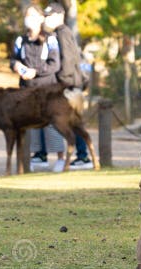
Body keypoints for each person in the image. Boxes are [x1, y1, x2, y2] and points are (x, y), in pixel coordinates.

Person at [11, 5, 65, 172]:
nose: (30, 19)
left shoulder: (51, 39)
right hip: (27, 90)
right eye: (28, 16)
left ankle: (60, 157)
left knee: (51, 124)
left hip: (47, 88)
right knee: (32, 123)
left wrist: (36, 72)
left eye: (33, 16)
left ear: (41, 18)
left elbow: (54, 64)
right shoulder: (20, 40)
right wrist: (17, 66)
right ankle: (37, 155)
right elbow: (13, 59)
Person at [43, 3, 92, 170]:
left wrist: (62, 82)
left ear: (60, 15)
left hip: (70, 85)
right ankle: (82, 155)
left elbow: (68, 60)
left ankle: (83, 156)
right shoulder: (60, 33)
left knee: (74, 122)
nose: (47, 19)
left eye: (50, 16)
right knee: (73, 122)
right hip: (71, 83)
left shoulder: (63, 33)